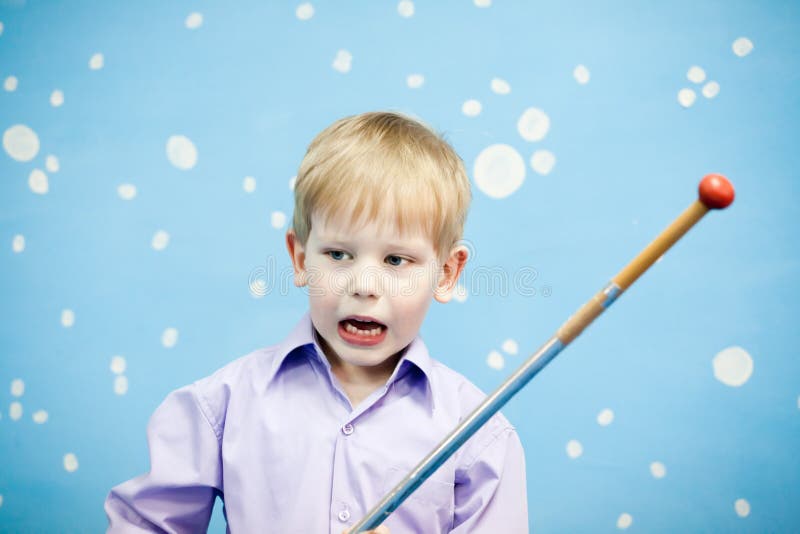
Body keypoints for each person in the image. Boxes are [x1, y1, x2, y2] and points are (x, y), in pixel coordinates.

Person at [105, 111, 529, 533]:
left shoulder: (480, 436)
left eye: (396, 260)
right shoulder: (224, 406)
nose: (364, 285)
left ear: (447, 273)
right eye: (339, 255)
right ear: (300, 257)